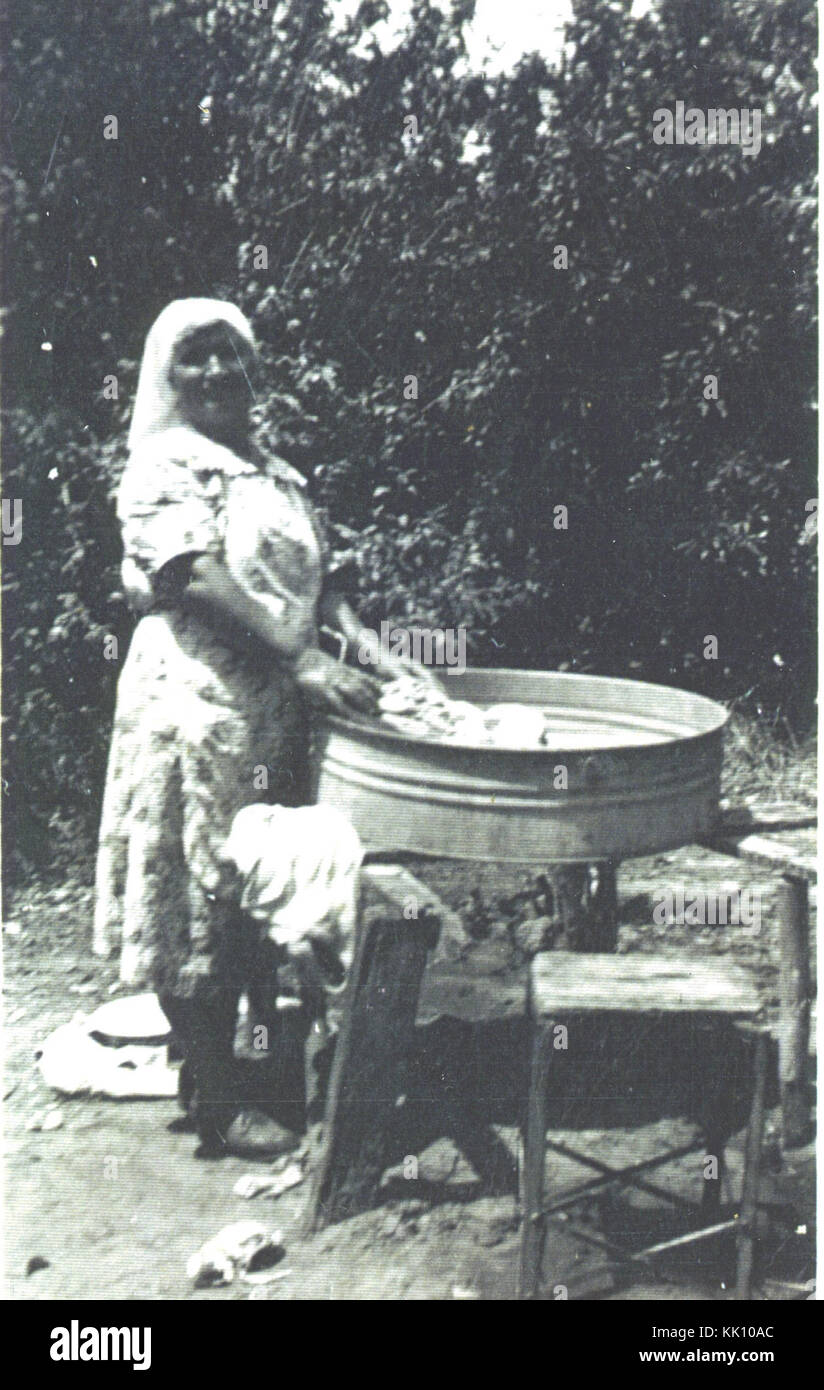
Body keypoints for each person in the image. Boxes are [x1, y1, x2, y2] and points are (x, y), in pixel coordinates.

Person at [93, 298, 422, 1156]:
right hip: (192, 706)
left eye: (226, 356)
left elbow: (326, 590)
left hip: (270, 714)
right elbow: (194, 574)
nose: (211, 374)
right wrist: (303, 659)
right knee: (195, 894)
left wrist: (383, 658)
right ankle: (218, 1106)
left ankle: (224, 1069)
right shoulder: (162, 467)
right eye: (191, 359)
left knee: (252, 889)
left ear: (252, 368)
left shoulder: (274, 471)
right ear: (168, 377)